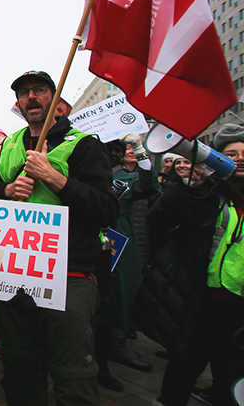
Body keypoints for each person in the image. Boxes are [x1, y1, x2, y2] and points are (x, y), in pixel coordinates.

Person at [0, 70, 118, 406]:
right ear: (17, 103)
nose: (31, 97)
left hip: (68, 280)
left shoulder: (85, 146)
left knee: (73, 380)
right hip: (15, 279)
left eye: (40, 90)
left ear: (56, 100)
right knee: (19, 374)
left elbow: (106, 208)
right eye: (24, 93)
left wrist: (55, 179)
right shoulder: (10, 146)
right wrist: (6, 189)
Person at [135, 123, 244, 406]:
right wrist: (185, 187)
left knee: (231, 372)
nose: (240, 158)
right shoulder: (205, 193)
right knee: (185, 364)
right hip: (200, 299)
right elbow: (158, 221)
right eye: (231, 154)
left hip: (239, 306)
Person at [95, 135, 159, 392]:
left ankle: (105, 361)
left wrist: (142, 153)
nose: (113, 154)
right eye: (107, 149)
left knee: (112, 300)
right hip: (87, 238)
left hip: (116, 242)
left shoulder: (129, 179)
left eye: (118, 150)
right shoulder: (84, 173)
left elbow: (149, 185)